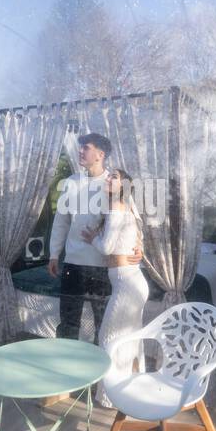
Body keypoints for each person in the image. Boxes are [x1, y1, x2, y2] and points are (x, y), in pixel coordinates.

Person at [47, 133, 140, 341]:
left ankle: (101, 371)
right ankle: (67, 368)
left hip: (102, 266)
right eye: (80, 147)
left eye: (85, 147)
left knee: (103, 325)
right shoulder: (70, 182)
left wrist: (138, 246)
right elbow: (61, 221)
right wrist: (54, 254)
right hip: (73, 264)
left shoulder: (114, 183)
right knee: (69, 323)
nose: (80, 151)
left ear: (100, 154)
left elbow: (132, 217)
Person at [81, 168, 149, 381]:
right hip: (132, 281)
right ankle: (132, 383)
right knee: (129, 338)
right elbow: (138, 237)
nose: (109, 178)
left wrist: (92, 239)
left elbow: (107, 247)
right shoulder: (127, 206)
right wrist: (140, 249)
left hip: (126, 283)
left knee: (108, 337)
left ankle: (112, 393)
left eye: (115, 177)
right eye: (109, 175)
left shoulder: (117, 205)